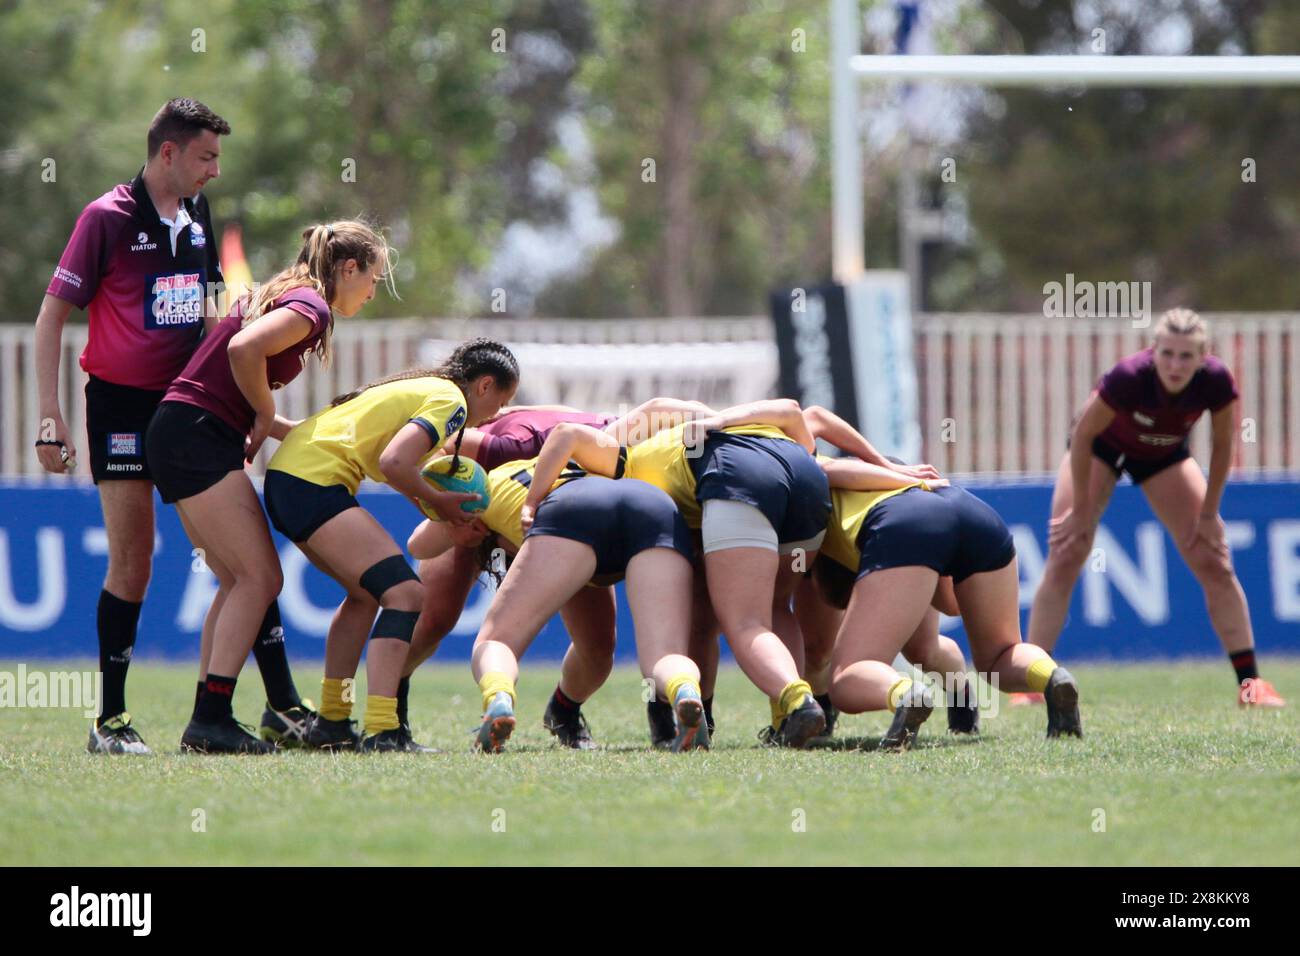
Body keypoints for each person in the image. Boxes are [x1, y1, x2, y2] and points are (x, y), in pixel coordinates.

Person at [145, 220, 393, 752]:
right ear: (348, 269)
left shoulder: (286, 293)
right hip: (197, 436)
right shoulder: (312, 306)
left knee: (241, 580)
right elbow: (242, 351)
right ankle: (209, 720)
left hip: (183, 431)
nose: (373, 292)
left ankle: (207, 716)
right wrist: (266, 409)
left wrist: (294, 431)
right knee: (260, 578)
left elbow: (239, 379)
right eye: (373, 278)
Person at [34, 98, 230, 753]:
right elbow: (51, 317)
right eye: (206, 156)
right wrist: (50, 415)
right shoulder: (105, 217)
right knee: (134, 563)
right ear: (167, 152)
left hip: (184, 404)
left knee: (241, 557)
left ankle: (254, 712)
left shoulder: (200, 214)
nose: (215, 170)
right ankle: (110, 722)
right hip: (118, 405)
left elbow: (212, 310)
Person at [525, 399, 833, 748]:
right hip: (807, 476)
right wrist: (719, 418)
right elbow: (791, 409)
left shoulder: (621, 469)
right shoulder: (688, 438)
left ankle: (797, 702)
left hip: (737, 475)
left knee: (746, 623)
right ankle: (779, 721)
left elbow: (570, 435)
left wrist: (531, 503)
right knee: (776, 608)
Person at [262, 339, 518, 751]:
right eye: (503, 400)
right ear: (485, 386)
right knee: (406, 594)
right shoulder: (451, 401)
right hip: (312, 483)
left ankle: (333, 721)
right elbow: (394, 463)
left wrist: (438, 507)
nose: (500, 412)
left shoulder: (429, 388)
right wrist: (439, 503)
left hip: (292, 478)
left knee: (365, 597)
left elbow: (391, 464)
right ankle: (383, 730)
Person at [1023, 309, 1285, 708]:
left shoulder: (1216, 382)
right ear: (1154, 351)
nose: (1175, 364)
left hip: (1163, 454)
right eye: (1168, 354)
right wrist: (1079, 508)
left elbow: (1222, 444)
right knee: (1066, 552)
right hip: (1100, 450)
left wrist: (1209, 513)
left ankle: (1251, 687)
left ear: (1203, 356)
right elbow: (1082, 436)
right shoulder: (1129, 378)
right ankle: (1032, 684)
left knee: (1214, 560)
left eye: (1186, 356)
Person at [412, 457, 707, 754]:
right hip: (652, 504)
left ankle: (499, 697)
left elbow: (417, 545)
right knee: (662, 655)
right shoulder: (566, 461)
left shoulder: (484, 493)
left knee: (496, 640)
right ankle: (684, 688)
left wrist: (453, 526)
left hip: (569, 512)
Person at [810, 454, 1082, 750]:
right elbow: (951, 605)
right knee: (996, 655)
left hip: (904, 528)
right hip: (974, 513)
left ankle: (907, 694)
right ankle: (1053, 677)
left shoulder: (818, 498)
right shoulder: (907, 486)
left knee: (846, 677)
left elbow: (820, 628)